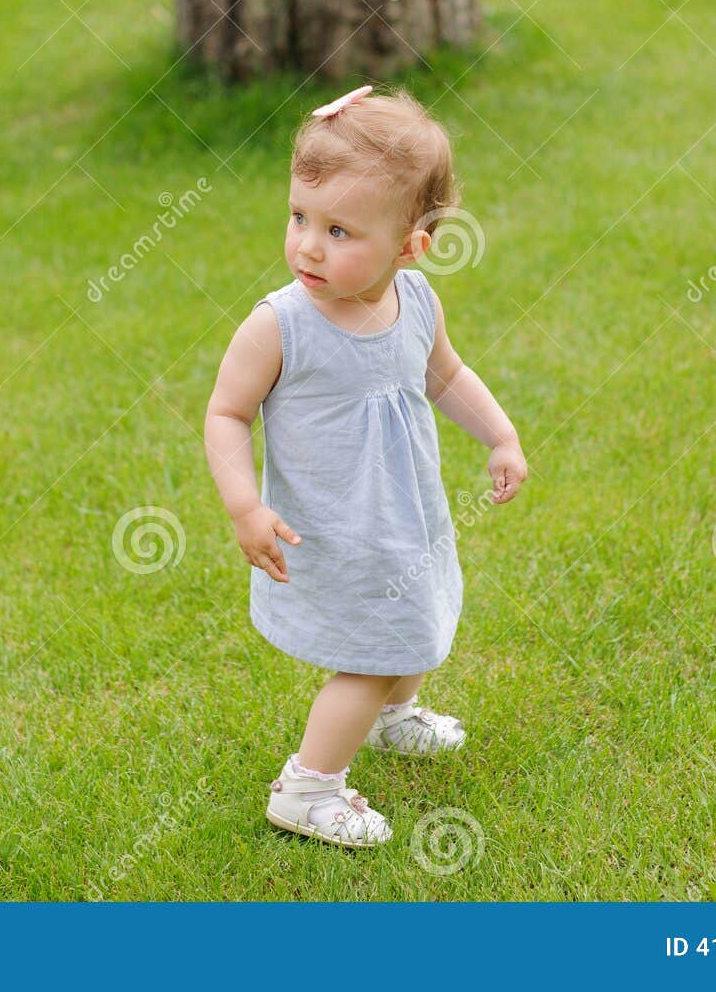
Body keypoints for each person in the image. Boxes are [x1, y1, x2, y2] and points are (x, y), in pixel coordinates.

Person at [203, 84, 528, 847]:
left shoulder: (415, 302)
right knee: (370, 653)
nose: (309, 244)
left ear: (411, 245)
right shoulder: (279, 325)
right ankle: (309, 787)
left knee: (416, 618)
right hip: (335, 532)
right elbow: (226, 414)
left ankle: (393, 718)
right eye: (299, 218)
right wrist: (245, 507)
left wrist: (500, 434)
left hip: (404, 517)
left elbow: (444, 374)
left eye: (339, 229)